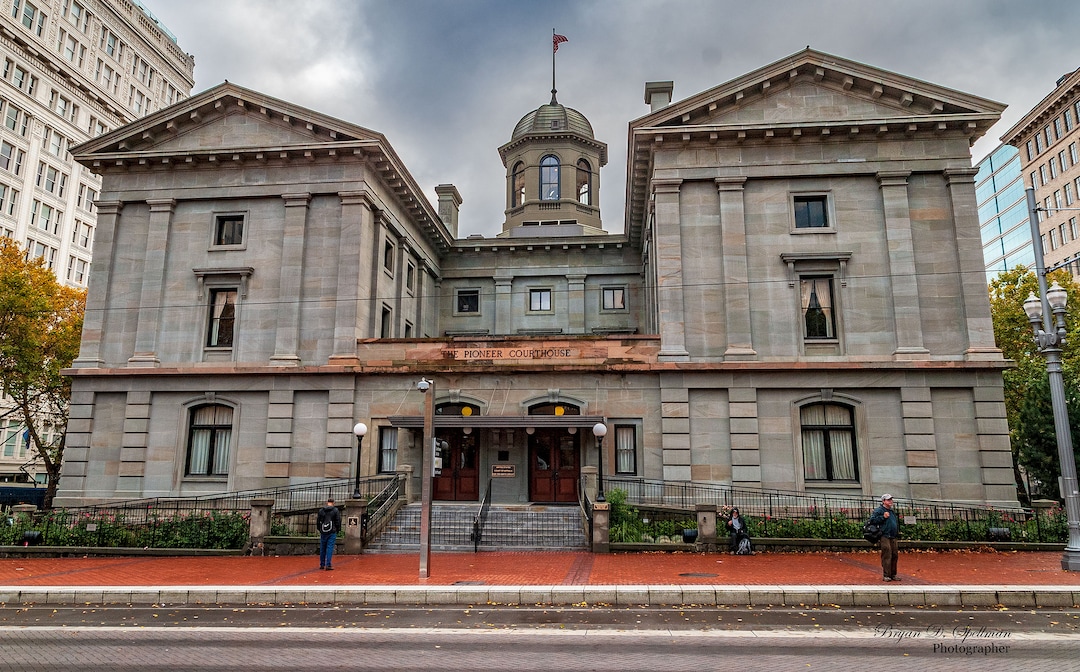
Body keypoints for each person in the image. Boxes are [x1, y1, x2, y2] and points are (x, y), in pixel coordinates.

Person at [869, 494, 900, 581]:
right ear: (883, 501)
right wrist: (883, 517)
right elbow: (872, 520)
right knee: (887, 554)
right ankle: (886, 575)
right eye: (888, 500)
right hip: (884, 535)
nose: (890, 501)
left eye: (891, 500)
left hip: (893, 536)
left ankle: (893, 574)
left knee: (894, 555)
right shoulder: (879, 510)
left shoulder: (891, 511)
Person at [316, 497, 341, 570]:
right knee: (329, 547)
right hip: (332, 531)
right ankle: (328, 564)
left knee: (322, 548)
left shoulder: (321, 510)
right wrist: (337, 529)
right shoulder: (335, 510)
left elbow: (318, 521)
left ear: (327, 502)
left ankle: (322, 564)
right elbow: (338, 521)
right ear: (333, 503)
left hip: (323, 531)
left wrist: (320, 529)